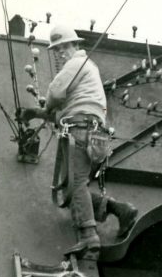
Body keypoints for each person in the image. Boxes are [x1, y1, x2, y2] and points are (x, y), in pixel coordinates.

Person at [17, 24, 137, 258]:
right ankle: (120, 209)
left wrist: (46, 108)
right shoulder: (88, 70)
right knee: (70, 186)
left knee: (76, 184)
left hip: (80, 130)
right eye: (56, 49)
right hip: (95, 134)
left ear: (74, 45)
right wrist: (36, 113)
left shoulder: (76, 63)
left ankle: (88, 236)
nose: (60, 52)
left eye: (63, 47)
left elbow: (55, 93)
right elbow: (66, 111)